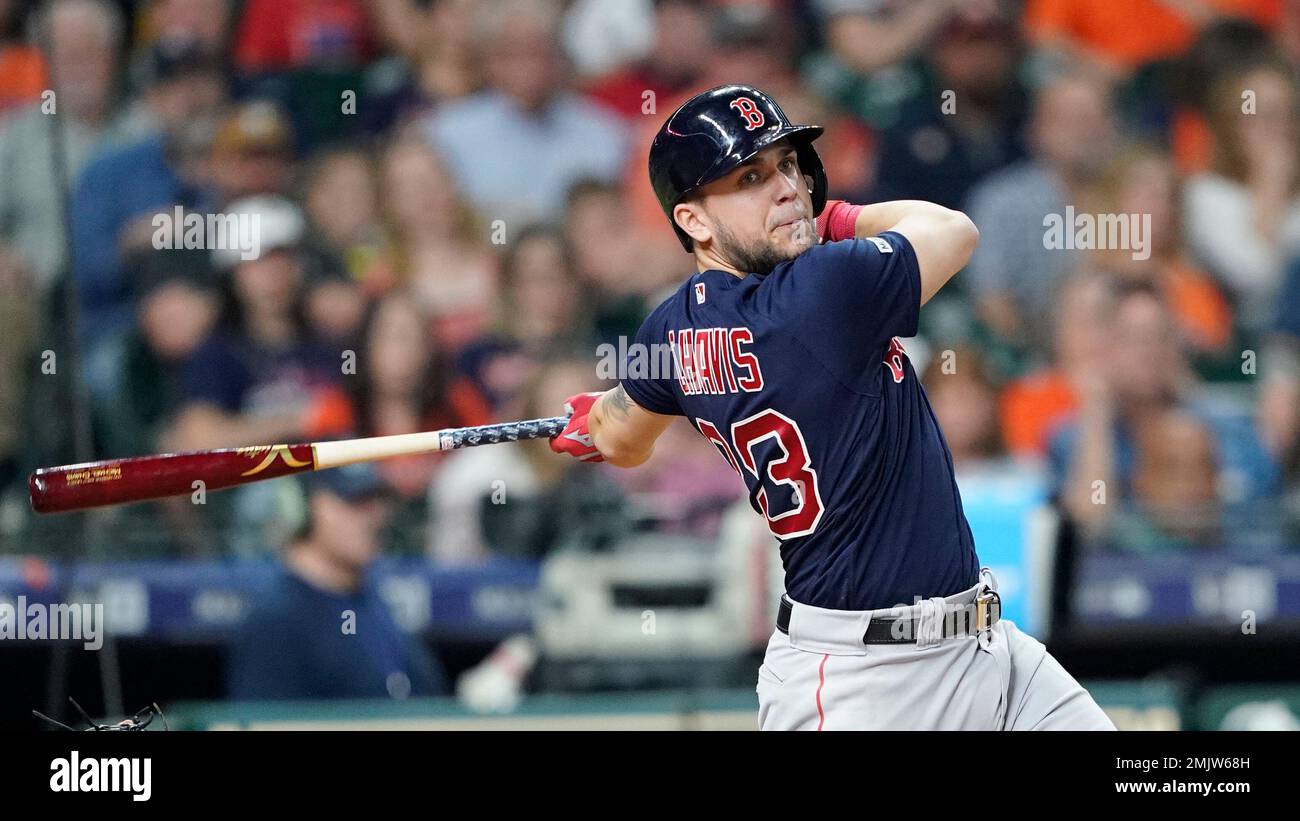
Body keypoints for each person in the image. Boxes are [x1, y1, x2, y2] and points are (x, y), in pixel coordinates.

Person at [549, 84, 1114, 730]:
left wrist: (592, 420)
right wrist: (837, 218)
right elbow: (953, 230)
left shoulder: (669, 330)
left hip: (986, 650)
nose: (789, 187)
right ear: (694, 220)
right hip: (861, 687)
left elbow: (621, 437)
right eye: (751, 177)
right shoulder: (822, 288)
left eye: (789, 164)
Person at [227, 462, 448, 700]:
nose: (373, 517)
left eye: (375, 501)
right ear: (301, 507)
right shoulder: (276, 618)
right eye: (354, 502)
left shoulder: (374, 600)